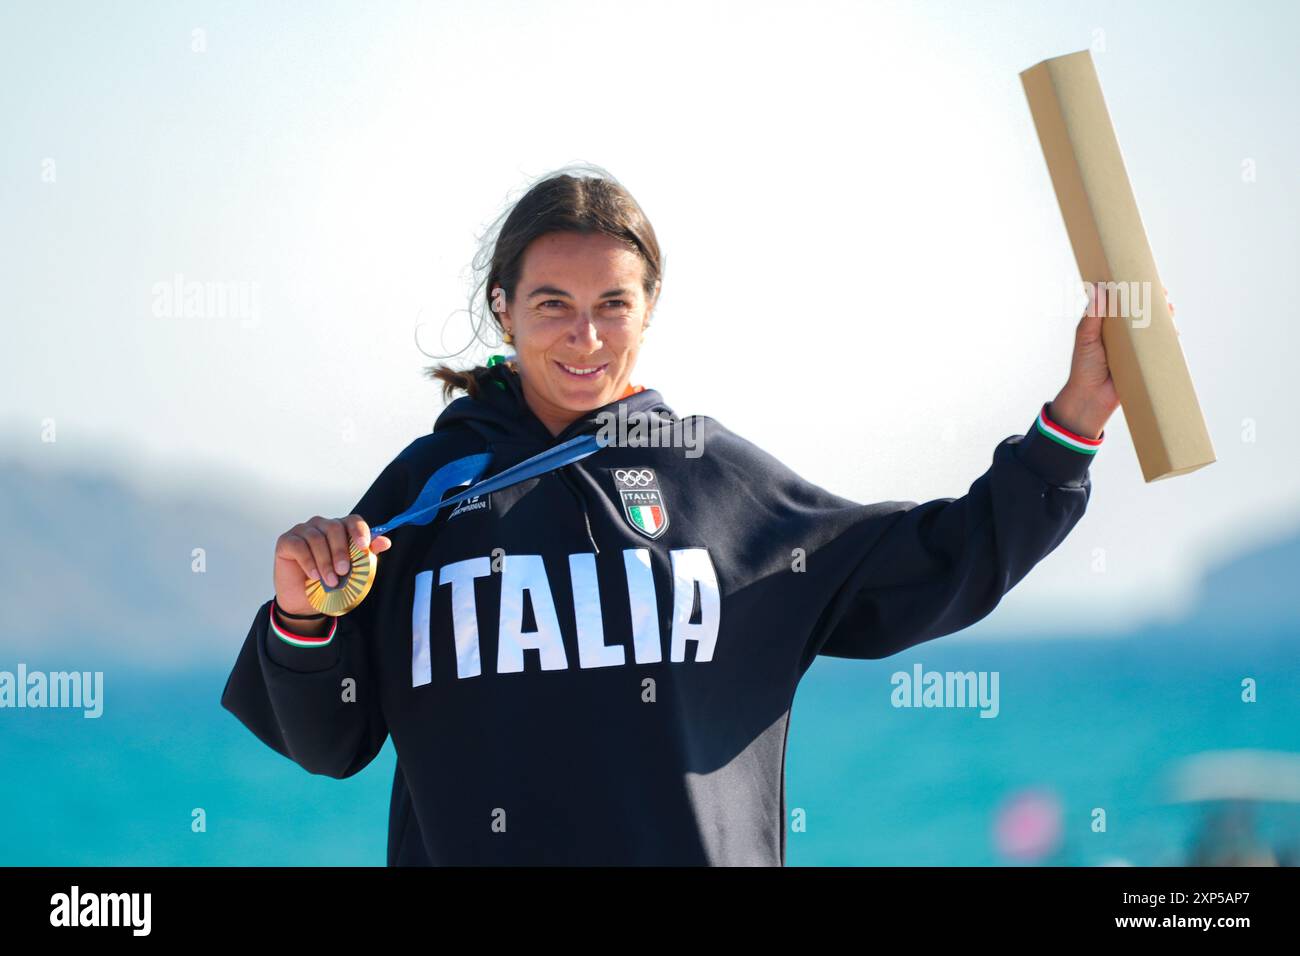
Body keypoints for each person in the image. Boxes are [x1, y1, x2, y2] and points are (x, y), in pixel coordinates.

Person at [221, 163, 1125, 866]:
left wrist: (1071, 428)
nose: (586, 336)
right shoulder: (426, 493)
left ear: (649, 309)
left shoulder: (713, 478)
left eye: (613, 304)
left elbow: (935, 562)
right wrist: (302, 619)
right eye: (553, 306)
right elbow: (329, 740)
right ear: (502, 311)